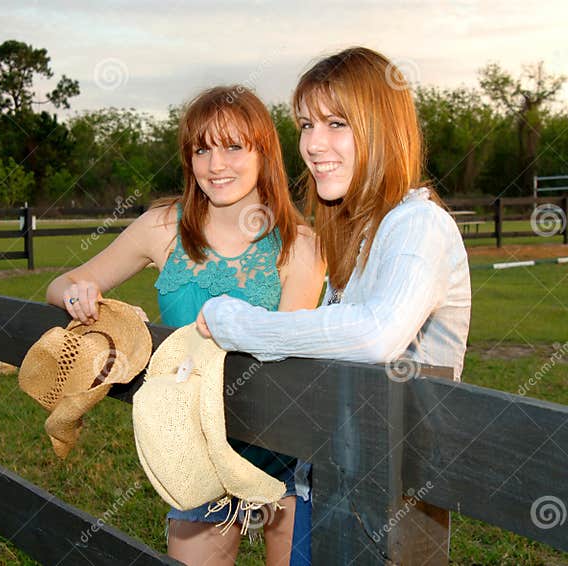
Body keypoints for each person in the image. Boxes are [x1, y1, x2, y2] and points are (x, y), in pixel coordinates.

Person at [197, 47, 472, 564]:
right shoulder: (359, 233)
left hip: (391, 504)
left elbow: (373, 335)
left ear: (384, 129)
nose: (312, 144)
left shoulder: (419, 224)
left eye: (336, 123)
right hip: (334, 479)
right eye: (305, 125)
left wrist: (236, 322)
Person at [46, 85, 326, 565]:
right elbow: (64, 282)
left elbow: (289, 364)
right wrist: (78, 293)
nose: (216, 165)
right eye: (202, 149)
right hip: (192, 452)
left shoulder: (300, 245)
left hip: (280, 450)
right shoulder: (162, 227)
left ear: (264, 153)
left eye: (234, 147)